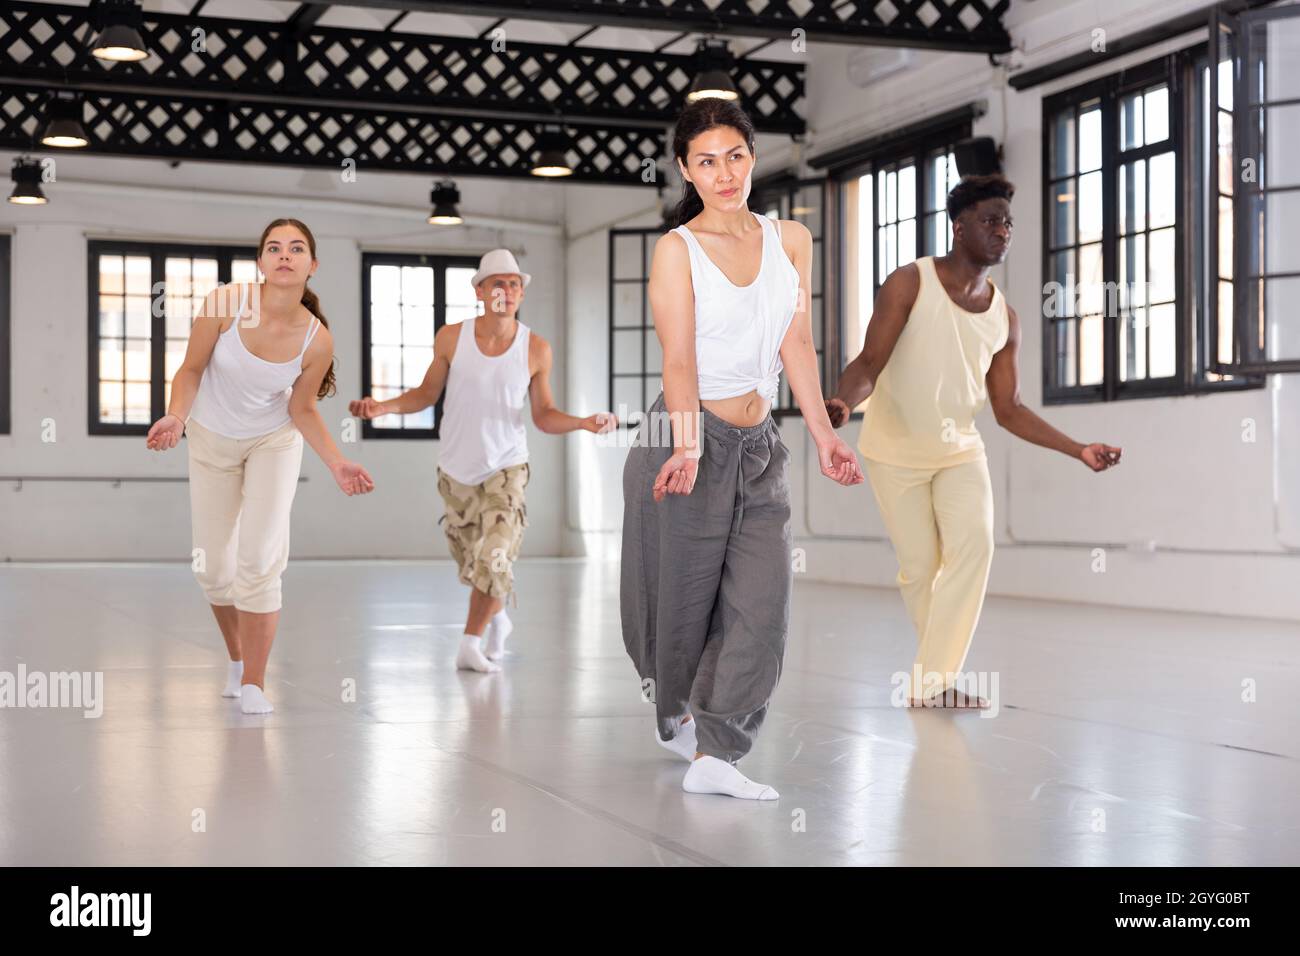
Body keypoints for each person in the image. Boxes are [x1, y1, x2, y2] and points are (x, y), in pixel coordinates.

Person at [621, 99, 864, 801]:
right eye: (706, 161)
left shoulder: (790, 238)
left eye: (735, 156)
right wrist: (690, 448)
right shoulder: (677, 250)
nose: (724, 173)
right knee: (678, 603)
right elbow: (678, 362)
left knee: (763, 601)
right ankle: (676, 709)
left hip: (759, 445)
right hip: (680, 433)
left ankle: (720, 752)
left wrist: (823, 435)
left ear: (752, 158)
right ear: (684, 170)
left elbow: (796, 341)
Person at [827, 174, 1122, 708]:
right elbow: (870, 362)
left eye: (1008, 222)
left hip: (960, 450)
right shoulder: (909, 283)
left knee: (975, 547)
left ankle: (931, 684)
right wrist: (844, 402)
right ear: (958, 227)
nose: (1002, 231)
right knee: (919, 569)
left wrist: (1077, 448)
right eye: (990, 220)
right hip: (894, 451)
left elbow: (1008, 410)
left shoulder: (1004, 318)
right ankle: (934, 681)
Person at [146, 218, 375, 715]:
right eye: (274, 248)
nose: (285, 255)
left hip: (273, 441)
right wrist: (175, 415)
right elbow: (190, 369)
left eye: (296, 248)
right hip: (209, 437)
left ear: (312, 265)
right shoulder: (226, 303)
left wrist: (336, 463)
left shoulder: (317, 340)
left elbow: (303, 409)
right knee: (213, 567)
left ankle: (254, 682)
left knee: (260, 560)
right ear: (261, 262)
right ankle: (236, 657)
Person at [350, 249, 615, 673]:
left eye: (514, 284)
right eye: (497, 283)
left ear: (521, 293)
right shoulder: (452, 338)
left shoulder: (536, 349)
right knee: (474, 565)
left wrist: (584, 422)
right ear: (479, 291)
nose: (506, 291)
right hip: (456, 472)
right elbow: (424, 395)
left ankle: (469, 644)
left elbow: (543, 416)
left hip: (506, 469)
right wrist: (381, 408)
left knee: (495, 557)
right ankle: (498, 618)